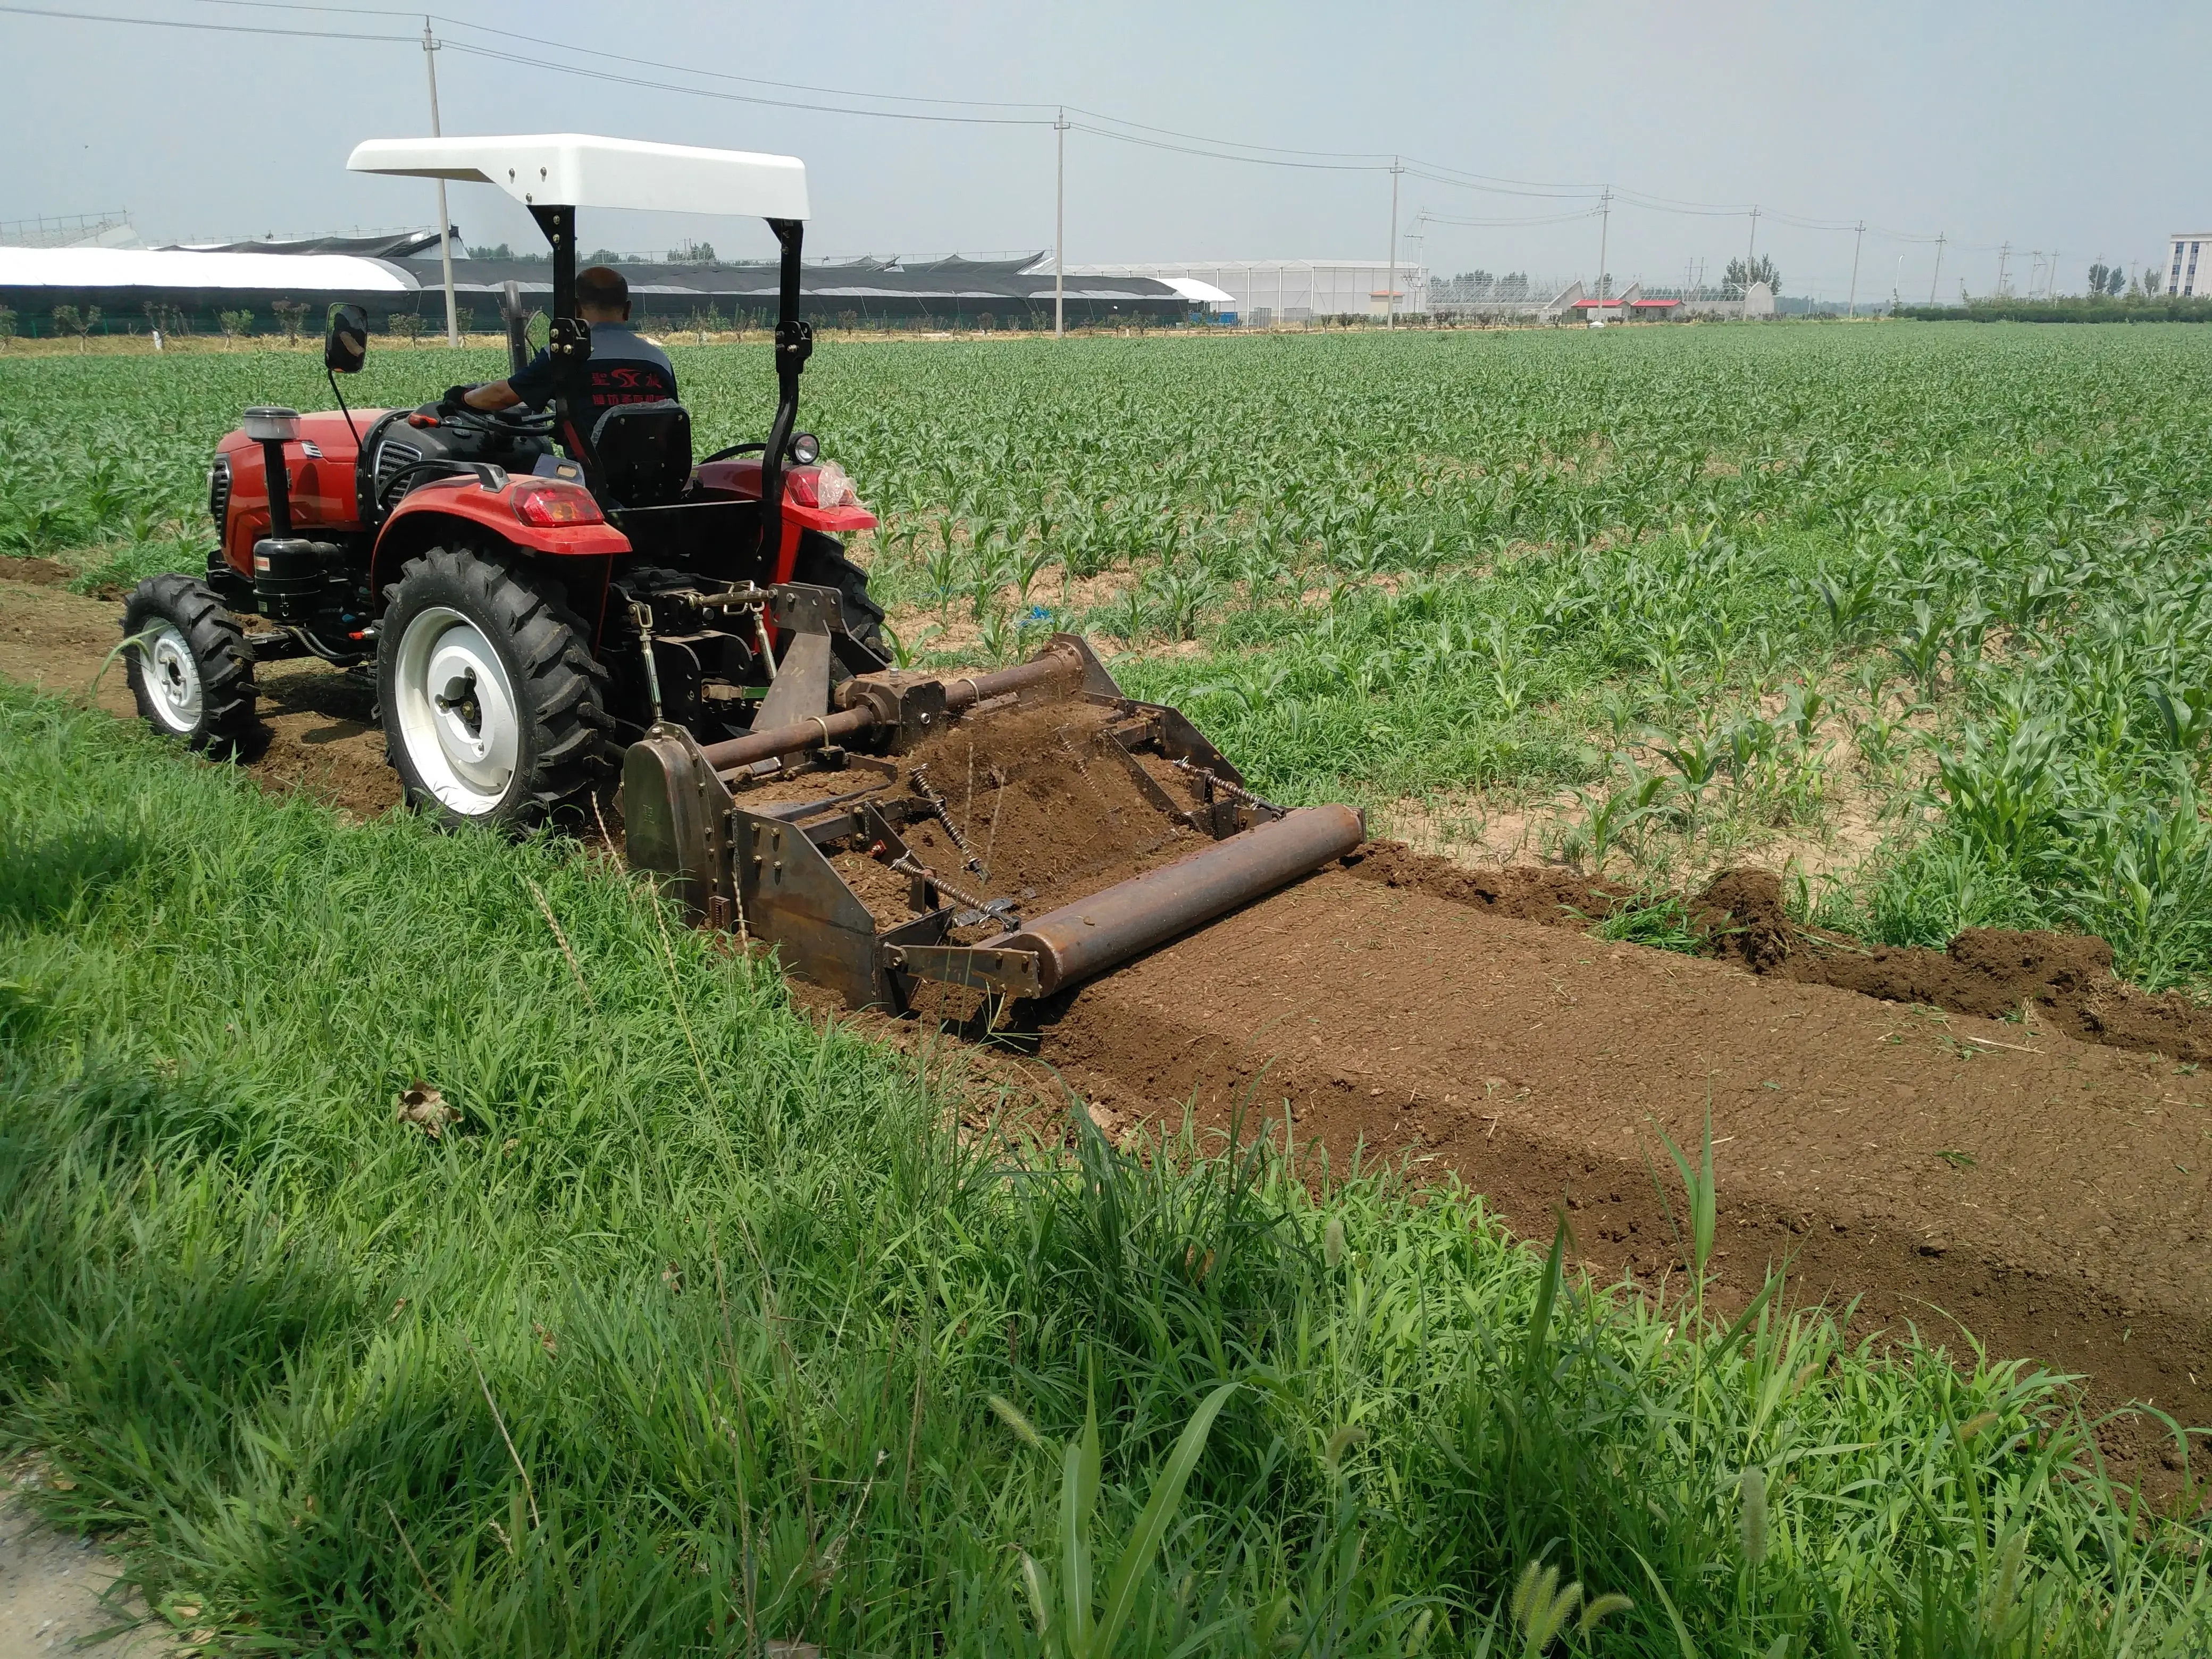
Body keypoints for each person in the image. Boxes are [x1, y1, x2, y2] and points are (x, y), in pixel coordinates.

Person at [456, 265, 677, 417]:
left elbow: (502, 396)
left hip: (589, 476)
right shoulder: (659, 360)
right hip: (657, 480)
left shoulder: (564, 355)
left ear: (576, 308)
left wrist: (462, 398)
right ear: (628, 310)